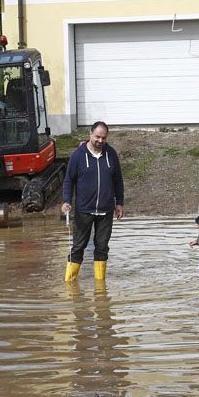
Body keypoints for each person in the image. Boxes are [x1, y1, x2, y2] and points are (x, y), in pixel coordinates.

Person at [61, 121, 124, 282]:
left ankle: (100, 288)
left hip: (106, 210)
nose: (100, 141)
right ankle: (69, 283)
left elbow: (118, 180)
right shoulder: (78, 156)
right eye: (97, 137)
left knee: (102, 247)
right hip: (84, 210)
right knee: (78, 247)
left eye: (103, 138)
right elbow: (68, 180)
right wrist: (66, 201)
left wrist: (119, 203)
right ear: (90, 134)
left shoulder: (111, 154)